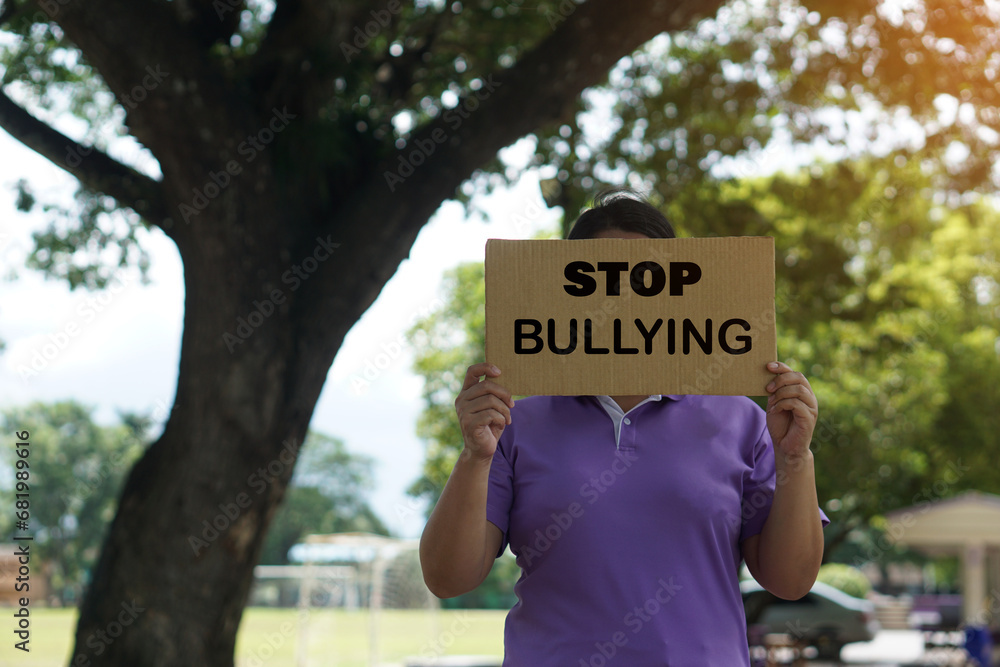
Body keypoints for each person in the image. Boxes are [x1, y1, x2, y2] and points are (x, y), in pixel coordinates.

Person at [419, 190, 828, 666]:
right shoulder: (512, 424)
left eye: (645, 280)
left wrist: (795, 458)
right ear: (568, 291)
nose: (625, 299)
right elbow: (448, 578)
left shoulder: (745, 422)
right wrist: (475, 456)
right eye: (606, 279)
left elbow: (792, 580)